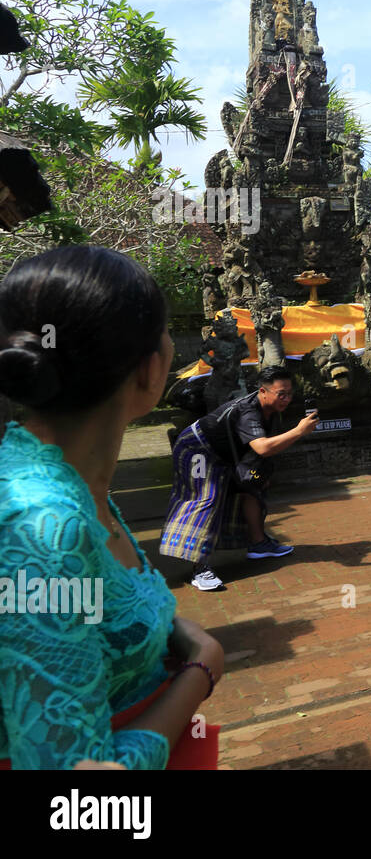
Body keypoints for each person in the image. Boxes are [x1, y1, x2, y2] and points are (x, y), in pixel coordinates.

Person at [0, 246, 225, 769]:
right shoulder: (42, 526)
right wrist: (202, 670)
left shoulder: (68, 477)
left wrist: (168, 624)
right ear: (151, 371)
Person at [160, 366, 318, 591]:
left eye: (289, 393)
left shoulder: (271, 408)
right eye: (281, 394)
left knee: (252, 489)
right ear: (263, 392)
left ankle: (258, 544)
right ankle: (199, 568)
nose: (286, 398)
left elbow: (260, 449)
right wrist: (299, 431)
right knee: (206, 498)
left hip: (225, 453)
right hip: (196, 447)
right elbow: (262, 447)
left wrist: (258, 473)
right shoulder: (248, 411)